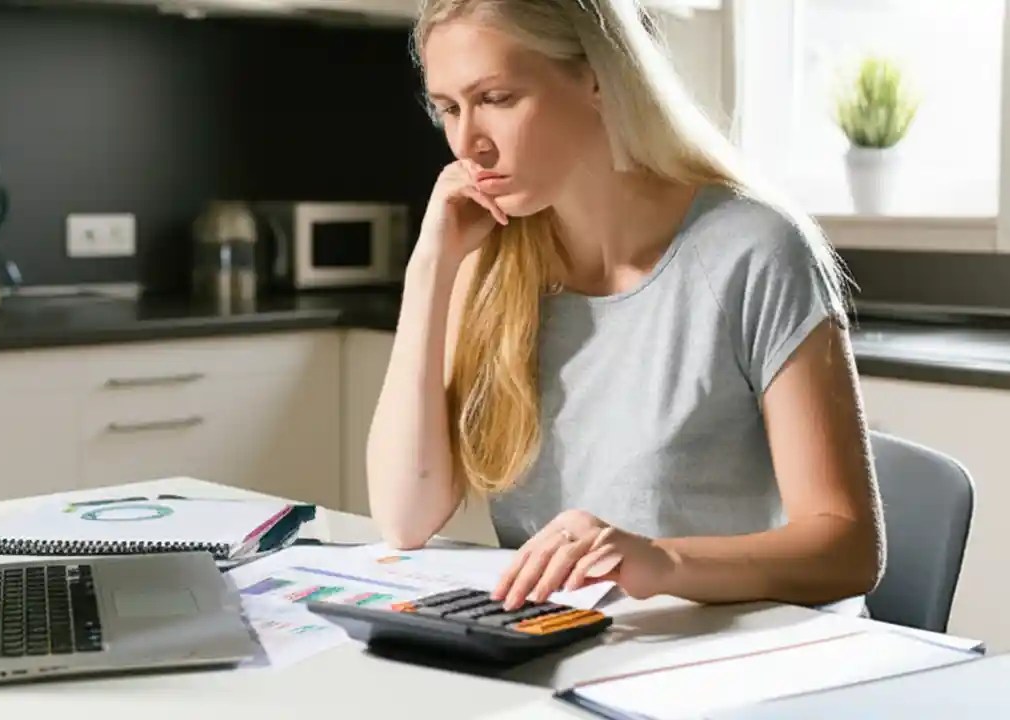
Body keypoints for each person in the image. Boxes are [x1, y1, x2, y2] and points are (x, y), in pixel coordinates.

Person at [365, 0, 885, 613]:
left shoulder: (753, 251)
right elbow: (405, 519)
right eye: (450, 108)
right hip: (582, 647)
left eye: (498, 99)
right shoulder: (488, 260)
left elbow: (849, 548)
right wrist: (431, 269)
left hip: (748, 657)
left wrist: (659, 561)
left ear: (594, 77)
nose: (467, 144)